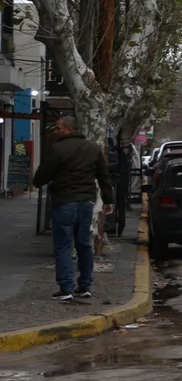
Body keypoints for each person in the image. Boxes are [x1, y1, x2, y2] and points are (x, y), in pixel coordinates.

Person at [32, 116, 115, 303]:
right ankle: (84, 286)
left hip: (64, 201)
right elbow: (104, 176)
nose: (55, 131)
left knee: (63, 245)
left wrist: (41, 181)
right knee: (84, 244)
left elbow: (41, 177)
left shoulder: (57, 149)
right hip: (86, 202)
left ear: (68, 130)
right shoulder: (93, 148)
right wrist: (109, 200)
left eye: (58, 128)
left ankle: (65, 288)